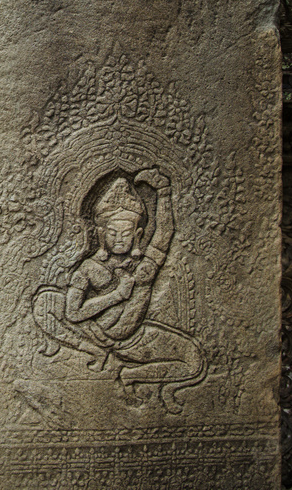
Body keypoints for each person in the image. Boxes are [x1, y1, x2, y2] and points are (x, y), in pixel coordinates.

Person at [32, 170, 206, 412]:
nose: (120, 239)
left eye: (126, 234)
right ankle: (93, 352)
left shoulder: (143, 265)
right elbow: (73, 312)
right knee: (45, 302)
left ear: (137, 235)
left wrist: (164, 194)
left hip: (136, 339)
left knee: (194, 361)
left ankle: (130, 375)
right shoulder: (90, 268)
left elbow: (164, 235)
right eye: (113, 233)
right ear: (102, 234)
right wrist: (116, 296)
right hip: (95, 332)